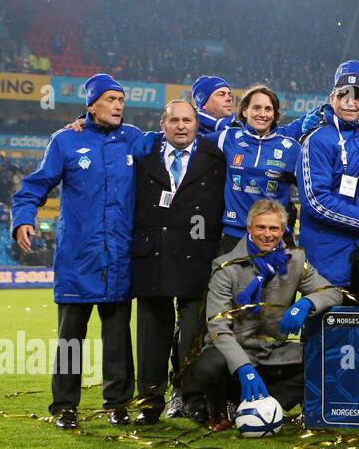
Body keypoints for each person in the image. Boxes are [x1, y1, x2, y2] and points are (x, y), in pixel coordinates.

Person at [10, 74, 143, 428]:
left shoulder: (134, 140)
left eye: (121, 99)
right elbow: (35, 184)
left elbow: (179, 139)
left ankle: (118, 403)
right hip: (77, 258)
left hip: (117, 257)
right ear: (92, 104)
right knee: (71, 339)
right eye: (111, 99)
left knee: (117, 337)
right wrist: (24, 217)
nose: (118, 105)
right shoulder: (66, 140)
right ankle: (65, 406)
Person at [185, 199, 343, 426]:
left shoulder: (295, 260)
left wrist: (306, 303)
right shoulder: (226, 267)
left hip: (273, 353)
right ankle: (218, 408)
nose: (267, 234)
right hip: (233, 354)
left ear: (283, 231)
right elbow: (218, 327)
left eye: (274, 228)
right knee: (210, 365)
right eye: (261, 227)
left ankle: (265, 407)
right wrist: (243, 367)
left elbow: (332, 292)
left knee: (322, 358)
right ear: (249, 228)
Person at [130, 100, 226, 423]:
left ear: (197, 124)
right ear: (162, 124)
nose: (181, 126)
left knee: (191, 340)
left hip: (196, 260)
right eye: (174, 120)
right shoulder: (141, 155)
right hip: (152, 260)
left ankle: (192, 399)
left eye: (187, 120)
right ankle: (149, 403)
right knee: (151, 340)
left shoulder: (215, 158)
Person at [297, 60, 359, 290]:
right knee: (328, 320)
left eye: (358, 96)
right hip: (327, 252)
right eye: (344, 95)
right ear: (332, 99)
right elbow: (316, 201)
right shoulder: (319, 139)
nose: (350, 103)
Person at [213, 85, 300, 254]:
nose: (262, 114)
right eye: (256, 108)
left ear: (274, 115)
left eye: (268, 109)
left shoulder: (291, 149)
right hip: (233, 236)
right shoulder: (227, 138)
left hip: (273, 238)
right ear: (245, 110)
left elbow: (308, 191)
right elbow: (191, 142)